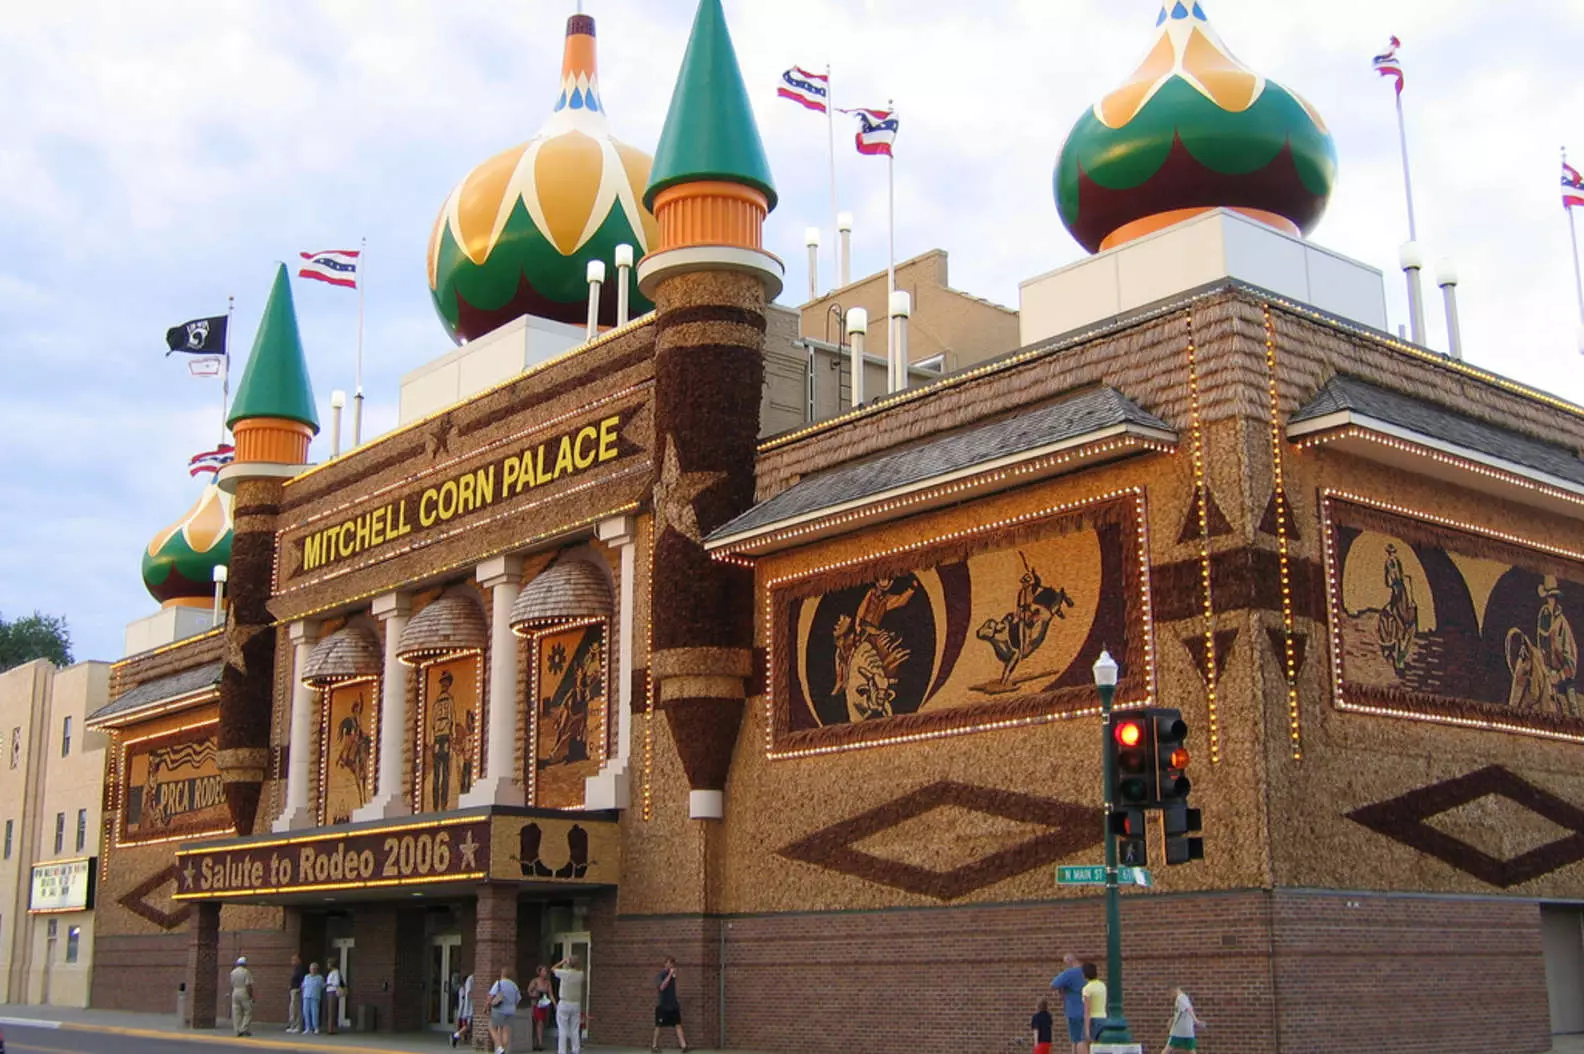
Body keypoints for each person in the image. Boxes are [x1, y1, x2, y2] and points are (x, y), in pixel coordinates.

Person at [1049, 953, 1087, 1054]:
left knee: (1076, 1040)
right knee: (1085, 1038)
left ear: (1070, 961)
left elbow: (1053, 985)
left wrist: (1062, 989)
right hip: (1088, 1010)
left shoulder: (1069, 973)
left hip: (1073, 1010)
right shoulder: (1086, 972)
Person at [651, 956, 688, 1053]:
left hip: (673, 1005)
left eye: (672, 964)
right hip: (663, 1005)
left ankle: (684, 1046)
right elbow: (662, 987)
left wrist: (673, 976)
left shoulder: (673, 975)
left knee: (678, 1025)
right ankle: (654, 1046)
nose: (670, 966)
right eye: (668, 963)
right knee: (659, 1026)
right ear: (665, 964)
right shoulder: (661, 975)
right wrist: (669, 976)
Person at [552, 954, 585, 1054]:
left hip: (564, 1002)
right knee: (574, 1028)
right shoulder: (580, 974)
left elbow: (553, 969)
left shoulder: (564, 973)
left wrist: (562, 962)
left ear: (569, 964)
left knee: (562, 1028)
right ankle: (576, 1049)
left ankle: (562, 1051)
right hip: (575, 1003)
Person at [488, 966, 523, 1054]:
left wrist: (486, 1007)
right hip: (510, 1011)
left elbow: (491, 996)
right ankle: (503, 1050)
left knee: (491, 1027)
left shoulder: (499, 983)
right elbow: (518, 999)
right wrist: (513, 1006)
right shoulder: (514, 985)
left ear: (502, 974)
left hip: (499, 1011)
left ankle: (499, 1048)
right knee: (506, 1032)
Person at [1163, 987, 1205, 1052]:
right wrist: (1173, 1019)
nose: (1171, 996)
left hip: (1178, 1031)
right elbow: (1182, 1012)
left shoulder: (1180, 998)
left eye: (1170, 993)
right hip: (1188, 1031)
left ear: (1172, 990)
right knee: (1192, 1050)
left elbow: (1188, 1009)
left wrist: (1196, 1021)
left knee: (1166, 1050)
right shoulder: (1184, 998)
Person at [526, 965, 556, 1051]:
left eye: (546, 971)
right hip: (535, 1004)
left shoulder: (548, 982)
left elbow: (551, 994)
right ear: (539, 972)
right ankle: (536, 1042)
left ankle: (539, 1042)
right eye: (543, 971)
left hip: (544, 1004)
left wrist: (554, 1004)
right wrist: (534, 991)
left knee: (542, 1023)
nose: (545, 973)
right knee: (537, 1022)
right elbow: (529, 991)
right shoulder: (535, 981)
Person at [1081, 962, 1107, 1049]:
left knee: (1084, 1046)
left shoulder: (1087, 988)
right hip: (1103, 1018)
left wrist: (1087, 1031)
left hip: (1093, 1020)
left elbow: (1087, 1010)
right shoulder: (1102, 985)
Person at [229, 955, 255, 1037]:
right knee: (248, 1011)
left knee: (236, 1012)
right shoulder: (246, 972)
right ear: (244, 964)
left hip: (235, 991)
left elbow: (231, 984)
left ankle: (237, 1030)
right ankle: (244, 1029)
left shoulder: (232, 972)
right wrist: (251, 996)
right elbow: (248, 985)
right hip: (243, 991)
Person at [451, 971, 474, 1049]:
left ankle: (457, 1036)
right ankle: (456, 1035)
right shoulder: (462, 990)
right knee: (467, 1026)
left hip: (465, 1011)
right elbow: (462, 1001)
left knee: (468, 1026)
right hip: (467, 1011)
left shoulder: (462, 989)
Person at [301, 963, 325, 1035]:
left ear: (317, 969)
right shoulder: (306, 977)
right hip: (306, 996)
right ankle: (308, 1028)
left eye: (314, 968)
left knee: (314, 1013)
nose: (313, 970)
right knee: (306, 1012)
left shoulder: (320, 978)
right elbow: (303, 986)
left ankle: (316, 1027)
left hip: (315, 997)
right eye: (311, 968)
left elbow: (323, 986)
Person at [286, 954, 306, 1034]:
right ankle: (292, 1025)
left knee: (296, 1009)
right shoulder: (295, 969)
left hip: (297, 990)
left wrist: (300, 989)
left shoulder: (300, 969)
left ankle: (298, 1026)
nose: (292, 962)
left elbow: (302, 981)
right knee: (292, 1009)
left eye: (294, 960)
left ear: (298, 960)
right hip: (292, 990)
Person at [324, 962, 343, 1034]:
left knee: (331, 1010)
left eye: (328, 964)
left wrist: (328, 984)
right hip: (329, 991)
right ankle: (330, 1028)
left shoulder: (336, 972)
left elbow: (336, 983)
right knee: (329, 1010)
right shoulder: (331, 972)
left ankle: (331, 1029)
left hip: (332, 991)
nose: (327, 965)